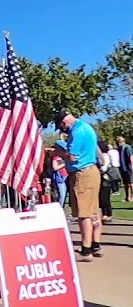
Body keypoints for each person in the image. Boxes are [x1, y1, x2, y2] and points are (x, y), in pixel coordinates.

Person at [54, 110, 101, 260]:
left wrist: (57, 153)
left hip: (82, 173)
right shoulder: (86, 127)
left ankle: (86, 250)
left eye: (62, 127)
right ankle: (96, 244)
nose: (63, 131)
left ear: (63, 123)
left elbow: (72, 157)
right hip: (92, 170)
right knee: (93, 210)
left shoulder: (77, 130)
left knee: (84, 213)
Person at [97, 141, 117, 222]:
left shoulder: (105, 156)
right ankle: (104, 213)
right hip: (100, 179)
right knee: (101, 197)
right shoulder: (100, 156)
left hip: (106, 179)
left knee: (105, 198)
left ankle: (109, 214)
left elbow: (104, 168)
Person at [50, 142, 69, 209]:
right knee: (62, 195)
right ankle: (59, 208)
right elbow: (55, 168)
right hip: (60, 178)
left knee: (65, 195)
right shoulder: (56, 158)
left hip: (66, 177)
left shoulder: (65, 156)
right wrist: (64, 164)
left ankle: (62, 208)